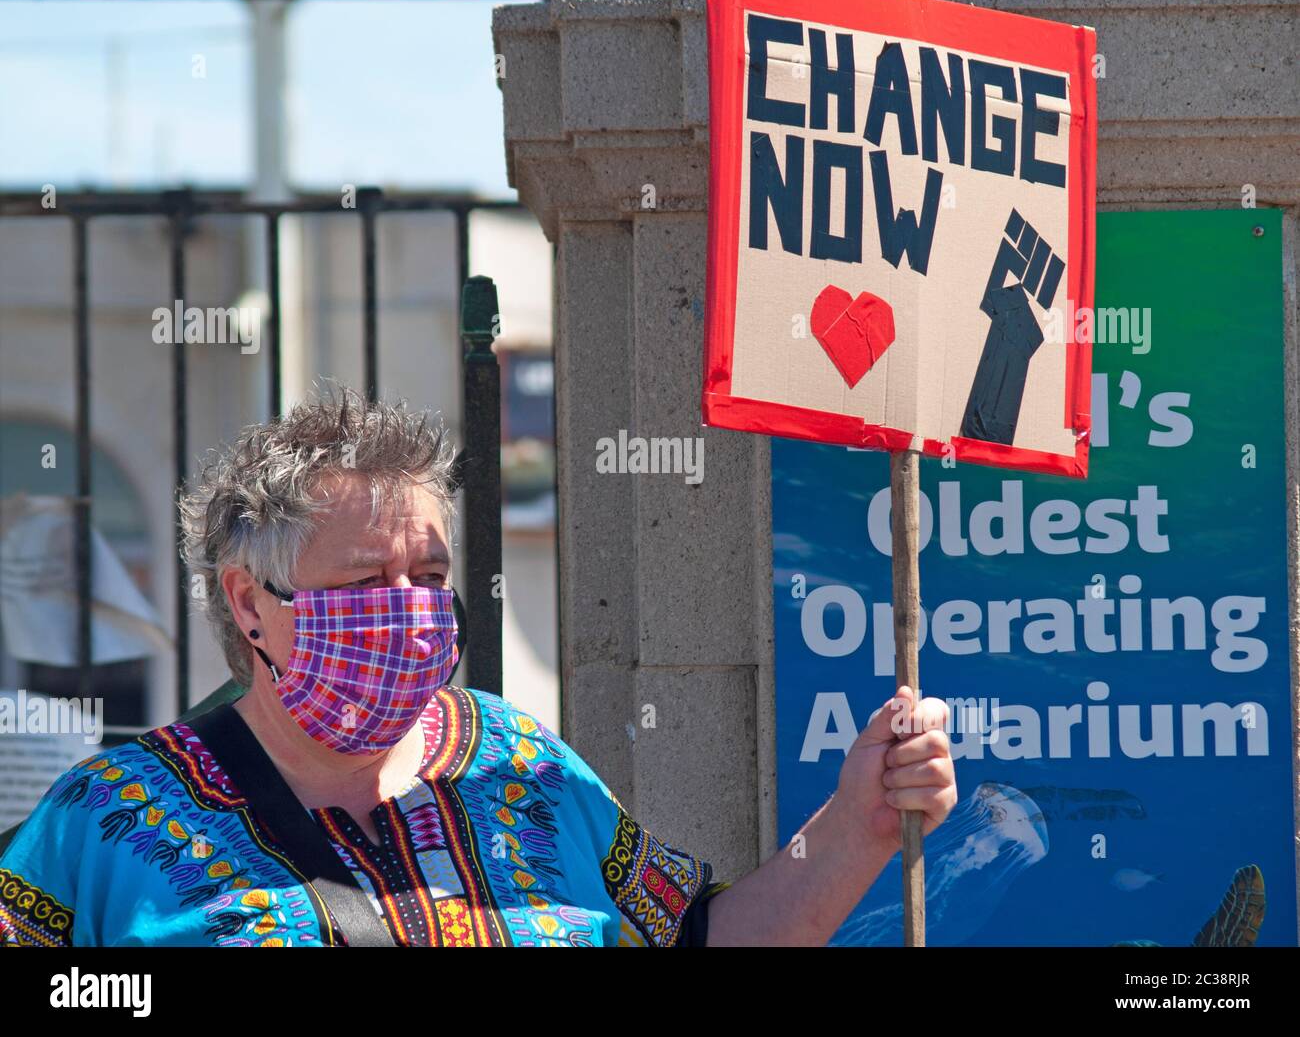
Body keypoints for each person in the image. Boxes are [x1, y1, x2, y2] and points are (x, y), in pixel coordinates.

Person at [0, 384, 956, 947]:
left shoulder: (521, 761)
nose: (414, 608)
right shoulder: (105, 823)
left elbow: (701, 938)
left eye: (431, 573)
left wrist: (860, 821)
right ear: (250, 601)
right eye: (370, 578)